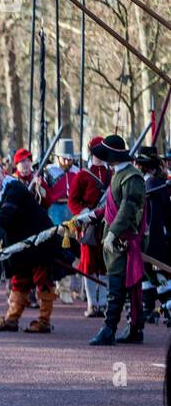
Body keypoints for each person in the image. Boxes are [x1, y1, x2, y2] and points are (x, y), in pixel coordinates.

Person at [0, 149, 60, 333]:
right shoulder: (2, 192)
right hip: (22, 245)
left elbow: (5, 214)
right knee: (19, 280)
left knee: (43, 280)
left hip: (40, 241)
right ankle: (11, 319)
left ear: (3, 172)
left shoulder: (14, 188)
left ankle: (44, 321)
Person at [89, 135, 147, 345]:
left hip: (125, 238)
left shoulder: (131, 177)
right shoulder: (120, 174)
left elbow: (128, 208)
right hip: (117, 238)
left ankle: (109, 329)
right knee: (120, 286)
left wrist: (113, 233)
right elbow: (114, 206)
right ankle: (131, 328)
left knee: (116, 287)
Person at [69, 136, 110, 317]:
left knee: (106, 263)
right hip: (90, 225)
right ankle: (92, 303)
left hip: (108, 223)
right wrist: (85, 213)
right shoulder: (83, 175)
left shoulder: (112, 173)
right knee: (89, 264)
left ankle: (104, 302)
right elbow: (73, 201)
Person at [135, 146, 168, 324]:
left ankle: (167, 309)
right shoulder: (156, 185)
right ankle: (148, 309)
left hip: (151, 238)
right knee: (147, 275)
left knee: (158, 275)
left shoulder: (151, 186)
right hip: (153, 238)